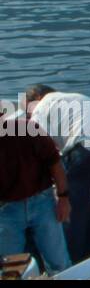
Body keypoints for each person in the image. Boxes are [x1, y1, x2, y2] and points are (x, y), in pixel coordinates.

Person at [25, 86, 90, 263]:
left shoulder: (40, 109)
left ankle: (73, 263)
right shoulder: (75, 96)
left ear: (37, 98)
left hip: (88, 150)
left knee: (74, 212)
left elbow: (43, 152)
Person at [0, 112, 72, 273]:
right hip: (5, 210)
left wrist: (63, 198)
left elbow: (55, 164)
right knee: (11, 269)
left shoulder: (28, 128)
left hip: (43, 201)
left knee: (59, 262)